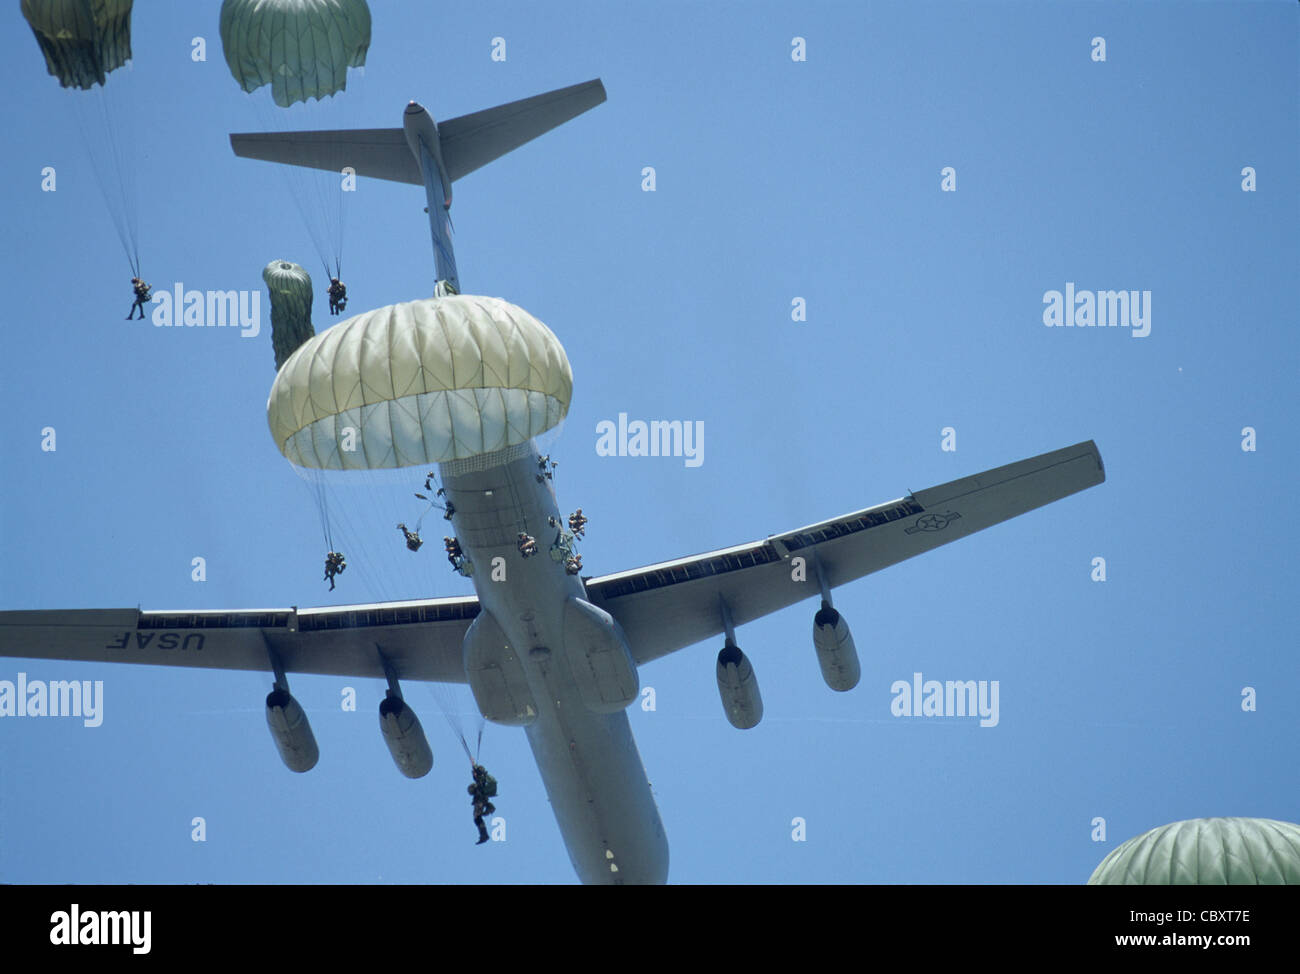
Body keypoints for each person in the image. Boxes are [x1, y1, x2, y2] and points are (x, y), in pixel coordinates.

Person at [468, 764, 498, 845]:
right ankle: (484, 835)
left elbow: (487, 782)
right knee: (477, 818)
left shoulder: (481, 782)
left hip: (481, 801)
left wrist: (477, 772)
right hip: (481, 801)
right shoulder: (481, 781)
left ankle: (484, 835)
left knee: (477, 818)